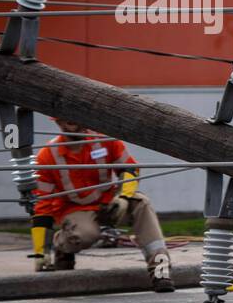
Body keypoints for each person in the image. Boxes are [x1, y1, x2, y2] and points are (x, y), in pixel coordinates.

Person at [31, 117, 174, 292]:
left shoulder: (105, 141)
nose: (75, 120)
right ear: (58, 121)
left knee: (141, 203)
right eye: (67, 116)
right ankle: (62, 245)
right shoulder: (47, 156)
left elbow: (129, 169)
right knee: (86, 234)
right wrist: (40, 252)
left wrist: (124, 197)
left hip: (110, 202)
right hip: (74, 209)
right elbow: (42, 206)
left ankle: (160, 272)